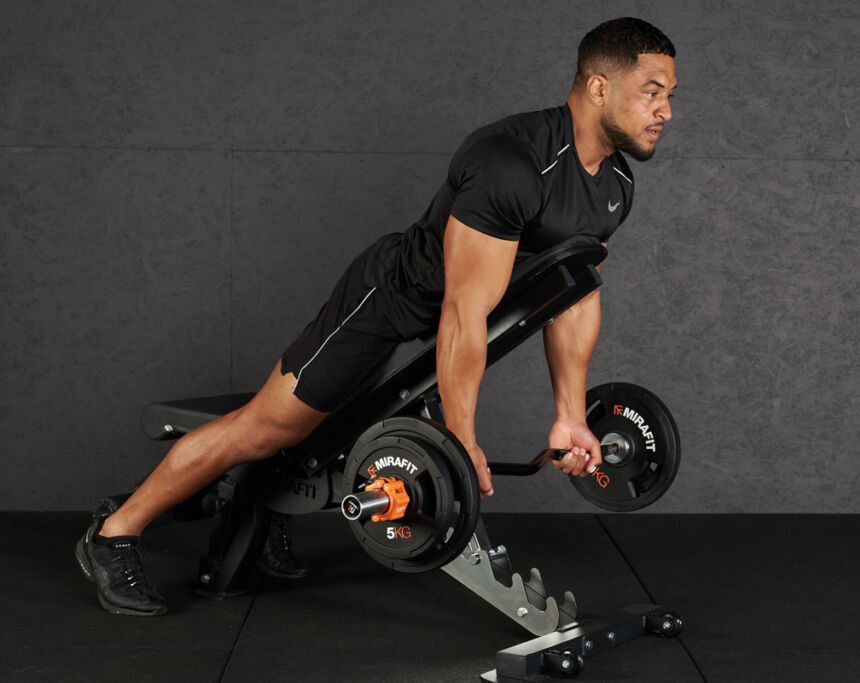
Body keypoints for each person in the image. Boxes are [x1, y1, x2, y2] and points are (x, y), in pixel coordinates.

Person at [75, 16, 676, 616]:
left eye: (670, 95)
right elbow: (464, 312)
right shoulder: (511, 162)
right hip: (390, 304)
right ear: (598, 87)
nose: (665, 111)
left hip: (444, 330)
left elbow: (574, 298)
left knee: (334, 437)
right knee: (268, 429)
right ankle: (114, 532)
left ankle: (260, 507)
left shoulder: (614, 186)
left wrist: (570, 415)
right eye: (651, 92)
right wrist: (462, 442)